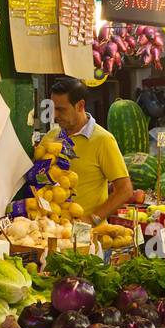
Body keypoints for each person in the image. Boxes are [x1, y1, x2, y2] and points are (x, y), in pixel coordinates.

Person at [44, 76, 132, 225]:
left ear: (80, 105)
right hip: (52, 230)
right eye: (53, 109)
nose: (55, 115)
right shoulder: (51, 137)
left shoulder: (103, 140)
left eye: (61, 109)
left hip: (88, 236)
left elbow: (125, 190)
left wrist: (93, 219)